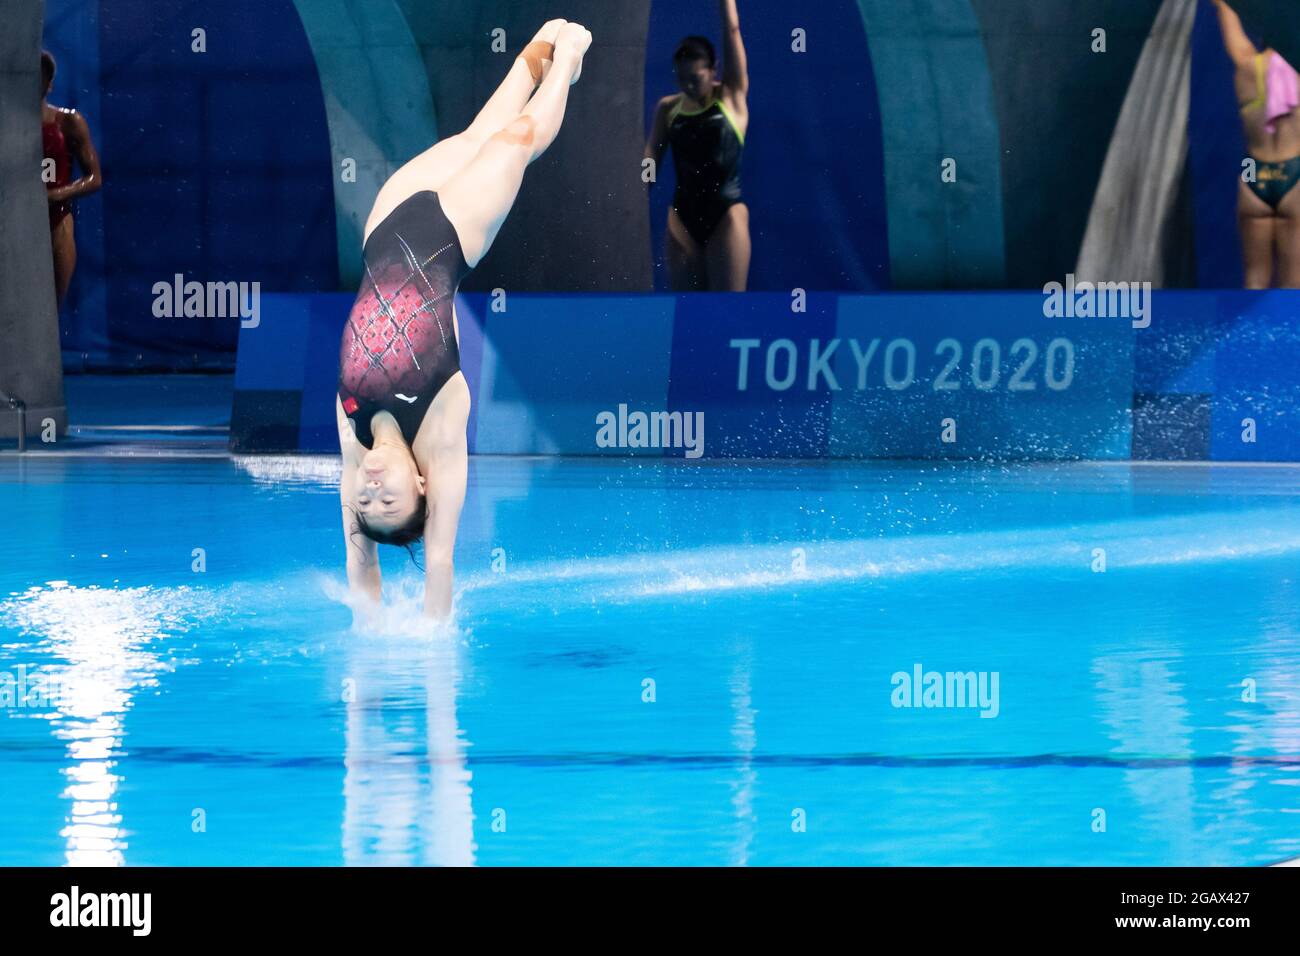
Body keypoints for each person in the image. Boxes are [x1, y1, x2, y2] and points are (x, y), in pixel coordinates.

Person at [336, 19, 591, 620]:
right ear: (421, 487)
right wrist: (429, 657)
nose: (371, 486)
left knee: (478, 134)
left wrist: (365, 653)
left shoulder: (353, 431)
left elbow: (360, 560)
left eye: (364, 499)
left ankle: (540, 48)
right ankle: (570, 59)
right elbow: (441, 562)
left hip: (385, 227)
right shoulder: (441, 432)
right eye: (388, 496)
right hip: (451, 237)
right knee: (513, 143)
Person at [644, 0, 750, 291]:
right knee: (687, 311)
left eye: (695, 78)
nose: (687, 86)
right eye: (681, 79)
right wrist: (635, 194)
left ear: (713, 69)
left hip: (726, 215)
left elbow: (732, 31)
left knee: (727, 309)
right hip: (682, 218)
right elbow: (651, 159)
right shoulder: (669, 108)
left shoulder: (732, 96)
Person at [1214, 0, 1300, 287]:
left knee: (1254, 281)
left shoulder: (1246, 63)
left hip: (1255, 177)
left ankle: (1248, 334)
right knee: (1293, 286)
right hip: (1295, 180)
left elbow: (1225, 10)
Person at [41, 50, 102, 307]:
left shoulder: (68, 121)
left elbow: (94, 178)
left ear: (50, 84)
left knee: (49, 312)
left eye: (39, 79)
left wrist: (55, 195)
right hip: (15, 222)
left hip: (57, 222)